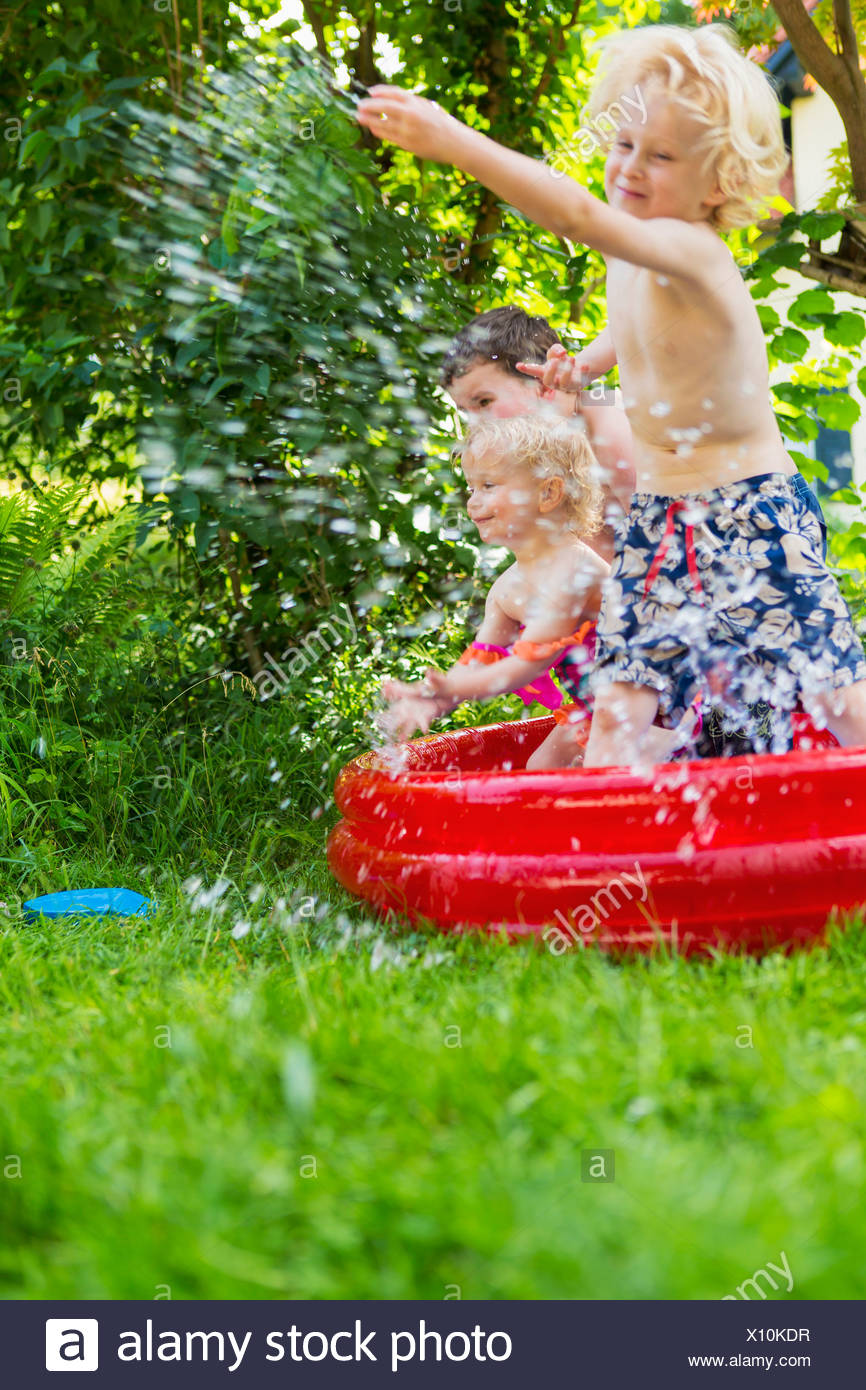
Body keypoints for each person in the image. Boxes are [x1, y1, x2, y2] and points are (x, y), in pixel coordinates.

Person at [358, 23, 866, 766]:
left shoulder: (690, 247)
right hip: (663, 528)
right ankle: (617, 857)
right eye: (624, 144)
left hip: (748, 508)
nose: (630, 167)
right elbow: (635, 325)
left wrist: (456, 143)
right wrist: (589, 365)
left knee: (837, 696)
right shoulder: (638, 243)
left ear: (717, 181)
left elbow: (575, 214)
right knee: (619, 714)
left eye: (661, 156)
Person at [380, 415, 608, 769]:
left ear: (548, 493)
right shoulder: (507, 588)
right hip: (597, 705)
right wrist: (433, 700)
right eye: (471, 488)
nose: (472, 502)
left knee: (601, 766)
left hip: (652, 700)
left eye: (488, 485)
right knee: (539, 770)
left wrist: (452, 689)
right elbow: (479, 660)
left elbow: (529, 665)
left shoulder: (571, 570)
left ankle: (696, 751)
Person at [441, 305, 635, 564]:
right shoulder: (535, 456)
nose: (474, 425)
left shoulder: (605, 418)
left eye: (484, 402)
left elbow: (661, 527)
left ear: (543, 385)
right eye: (465, 411)